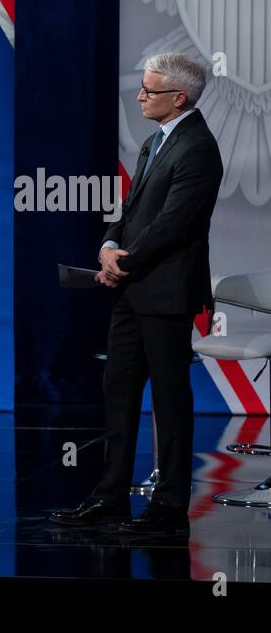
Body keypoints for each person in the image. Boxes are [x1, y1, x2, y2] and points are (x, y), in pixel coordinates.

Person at [53, 53, 223, 534]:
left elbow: (173, 225)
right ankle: (109, 497)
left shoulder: (198, 148)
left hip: (167, 293)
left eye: (149, 90)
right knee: (119, 392)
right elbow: (131, 210)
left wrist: (122, 264)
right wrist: (110, 245)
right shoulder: (155, 141)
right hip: (134, 290)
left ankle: (169, 507)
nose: (141, 95)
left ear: (179, 97)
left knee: (170, 402)